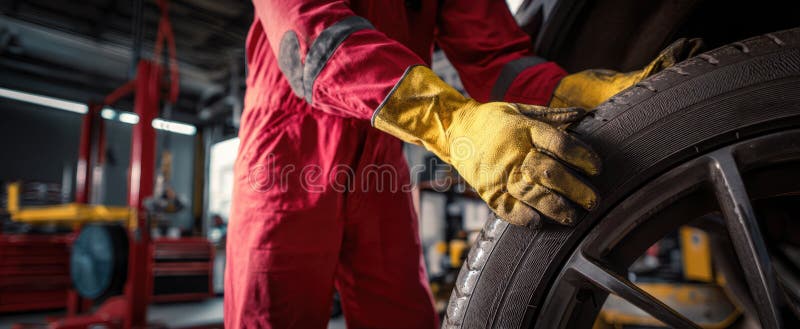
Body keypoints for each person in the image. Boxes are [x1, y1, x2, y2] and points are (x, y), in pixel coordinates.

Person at [225, 1, 701, 328]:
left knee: (402, 317)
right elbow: (311, 37)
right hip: (287, 154)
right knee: (271, 316)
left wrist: (584, 94)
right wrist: (452, 123)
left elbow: (494, 57)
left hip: (380, 152)